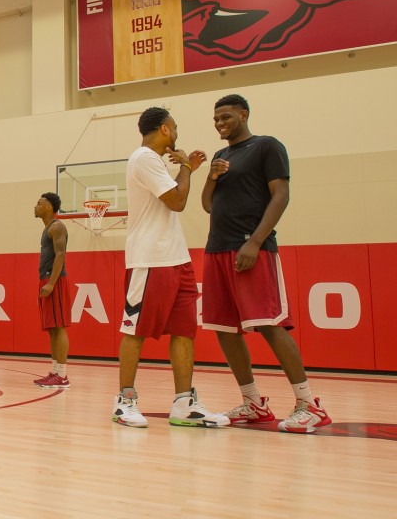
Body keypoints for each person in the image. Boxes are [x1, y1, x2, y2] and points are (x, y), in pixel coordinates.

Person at [202, 93, 331, 433]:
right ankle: (253, 403)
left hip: (252, 248)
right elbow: (207, 206)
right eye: (216, 119)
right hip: (216, 249)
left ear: (243, 114)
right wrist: (210, 176)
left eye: (226, 116)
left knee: (271, 324)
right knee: (225, 329)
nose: (220, 123)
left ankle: (309, 404)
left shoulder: (266, 146)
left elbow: (281, 195)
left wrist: (255, 242)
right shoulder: (220, 156)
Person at [112, 107, 229, 428]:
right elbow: (177, 200)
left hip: (176, 259)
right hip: (149, 259)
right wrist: (189, 168)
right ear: (164, 129)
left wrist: (185, 168)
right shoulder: (144, 158)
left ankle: (184, 403)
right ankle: (124, 401)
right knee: (135, 331)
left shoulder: (156, 162)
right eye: (174, 128)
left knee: (184, 332)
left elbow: (174, 197)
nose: (177, 134)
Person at [33, 193, 71, 388]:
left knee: (59, 327)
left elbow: (61, 255)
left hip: (54, 279)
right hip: (46, 279)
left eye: (39, 203)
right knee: (52, 329)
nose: (35, 206)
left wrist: (51, 283)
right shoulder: (48, 228)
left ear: (49, 207)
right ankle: (55, 371)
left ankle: (62, 375)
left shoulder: (57, 226)